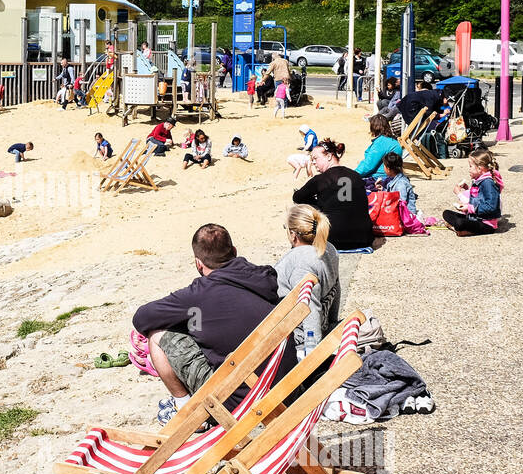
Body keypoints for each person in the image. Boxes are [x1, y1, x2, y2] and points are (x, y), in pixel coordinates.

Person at [132, 223, 297, 423]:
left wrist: (186, 319)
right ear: (234, 252)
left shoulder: (197, 295)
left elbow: (142, 318)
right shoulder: (264, 278)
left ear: (198, 263)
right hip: (286, 387)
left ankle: (187, 411)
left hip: (238, 399)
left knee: (158, 336)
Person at [275, 204, 340, 353]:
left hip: (297, 342)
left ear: (293, 234)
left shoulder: (301, 262)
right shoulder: (328, 248)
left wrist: (312, 357)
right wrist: (332, 324)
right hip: (321, 328)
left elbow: (310, 309)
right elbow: (336, 290)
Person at [292, 139, 375, 251]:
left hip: (334, 240)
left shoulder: (321, 180)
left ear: (329, 157)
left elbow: (297, 197)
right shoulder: (355, 175)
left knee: (299, 208)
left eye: (315, 158)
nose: (313, 162)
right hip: (364, 238)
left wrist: (316, 203)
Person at [444, 147, 504, 236]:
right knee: (446, 213)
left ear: (479, 169)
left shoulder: (488, 183)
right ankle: (460, 228)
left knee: (460, 223)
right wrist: (468, 190)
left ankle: (462, 230)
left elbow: (491, 207)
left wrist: (469, 208)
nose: (469, 169)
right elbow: (478, 198)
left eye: (471, 166)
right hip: (474, 218)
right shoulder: (479, 180)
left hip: (486, 224)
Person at [355, 114, 404, 180]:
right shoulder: (393, 141)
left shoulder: (381, 142)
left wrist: (352, 174)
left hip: (380, 177)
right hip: (393, 176)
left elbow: (368, 165)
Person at [378, 151, 418, 216]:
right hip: (398, 211)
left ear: (388, 169)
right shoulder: (394, 180)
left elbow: (401, 203)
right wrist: (382, 189)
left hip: (406, 215)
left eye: (384, 166)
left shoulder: (401, 184)